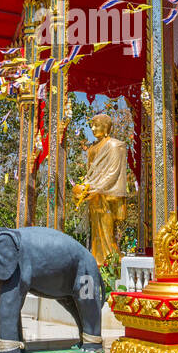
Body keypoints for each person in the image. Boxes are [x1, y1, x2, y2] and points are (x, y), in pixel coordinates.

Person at [73, 112, 132, 267]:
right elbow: (90, 174)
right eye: (91, 125)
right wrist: (84, 188)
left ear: (106, 127)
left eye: (96, 125)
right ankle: (97, 259)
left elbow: (113, 173)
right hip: (94, 195)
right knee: (96, 232)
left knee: (106, 231)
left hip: (107, 194)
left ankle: (110, 260)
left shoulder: (115, 145)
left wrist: (95, 188)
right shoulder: (91, 148)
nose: (93, 128)